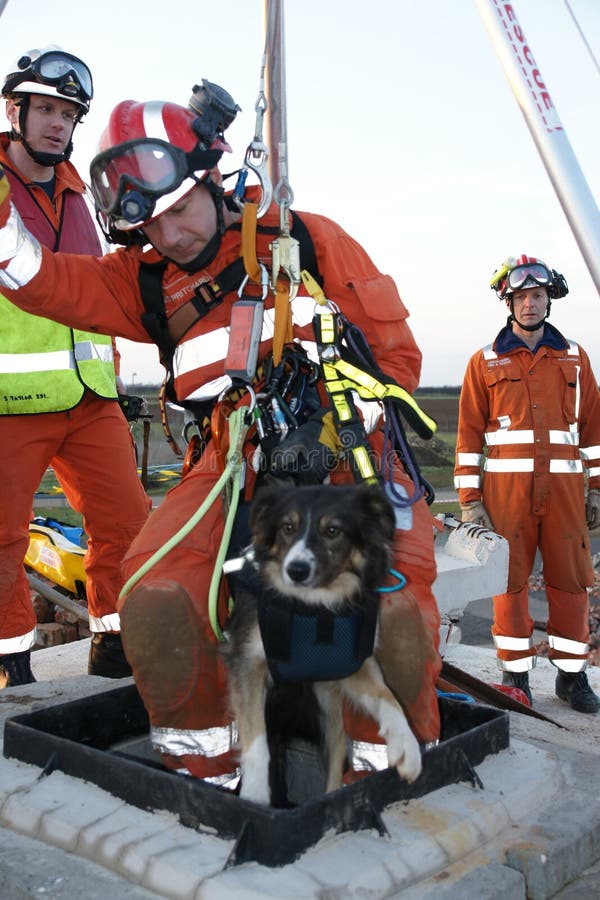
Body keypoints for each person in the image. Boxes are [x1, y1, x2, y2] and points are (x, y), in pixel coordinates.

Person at [0, 90, 442, 785]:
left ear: (213, 179)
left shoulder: (308, 241)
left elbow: (397, 361)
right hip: (228, 456)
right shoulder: (143, 281)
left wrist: (327, 431)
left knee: (393, 611)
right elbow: (36, 278)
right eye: (153, 223)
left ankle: (378, 775)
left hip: (348, 454)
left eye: (180, 209)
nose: (170, 235)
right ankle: (206, 772)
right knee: (155, 596)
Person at [0, 47, 151, 687]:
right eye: (46, 111)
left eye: (68, 113)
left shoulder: (81, 196)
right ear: (15, 111)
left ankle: (113, 646)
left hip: (92, 398)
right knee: (3, 539)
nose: (58, 124)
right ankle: (11, 663)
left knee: (126, 524)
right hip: (11, 402)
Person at [454, 254, 600, 713]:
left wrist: (596, 488)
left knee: (571, 585)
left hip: (564, 497)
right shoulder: (486, 361)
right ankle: (515, 676)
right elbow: (467, 437)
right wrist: (469, 500)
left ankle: (572, 679)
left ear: (549, 298)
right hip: (507, 498)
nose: (531, 305)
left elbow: (594, 432)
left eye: (538, 296)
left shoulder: (575, 358)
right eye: (522, 297)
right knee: (510, 584)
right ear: (508, 302)